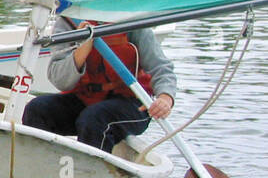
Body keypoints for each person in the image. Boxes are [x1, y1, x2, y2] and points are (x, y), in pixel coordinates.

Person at [21, 17, 176, 154]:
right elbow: (60, 81)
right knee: (37, 109)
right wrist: (81, 50)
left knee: (95, 118)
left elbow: (161, 68)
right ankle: (42, 169)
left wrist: (165, 98)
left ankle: (90, 176)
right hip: (86, 98)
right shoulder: (68, 23)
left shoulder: (132, 20)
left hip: (131, 104)